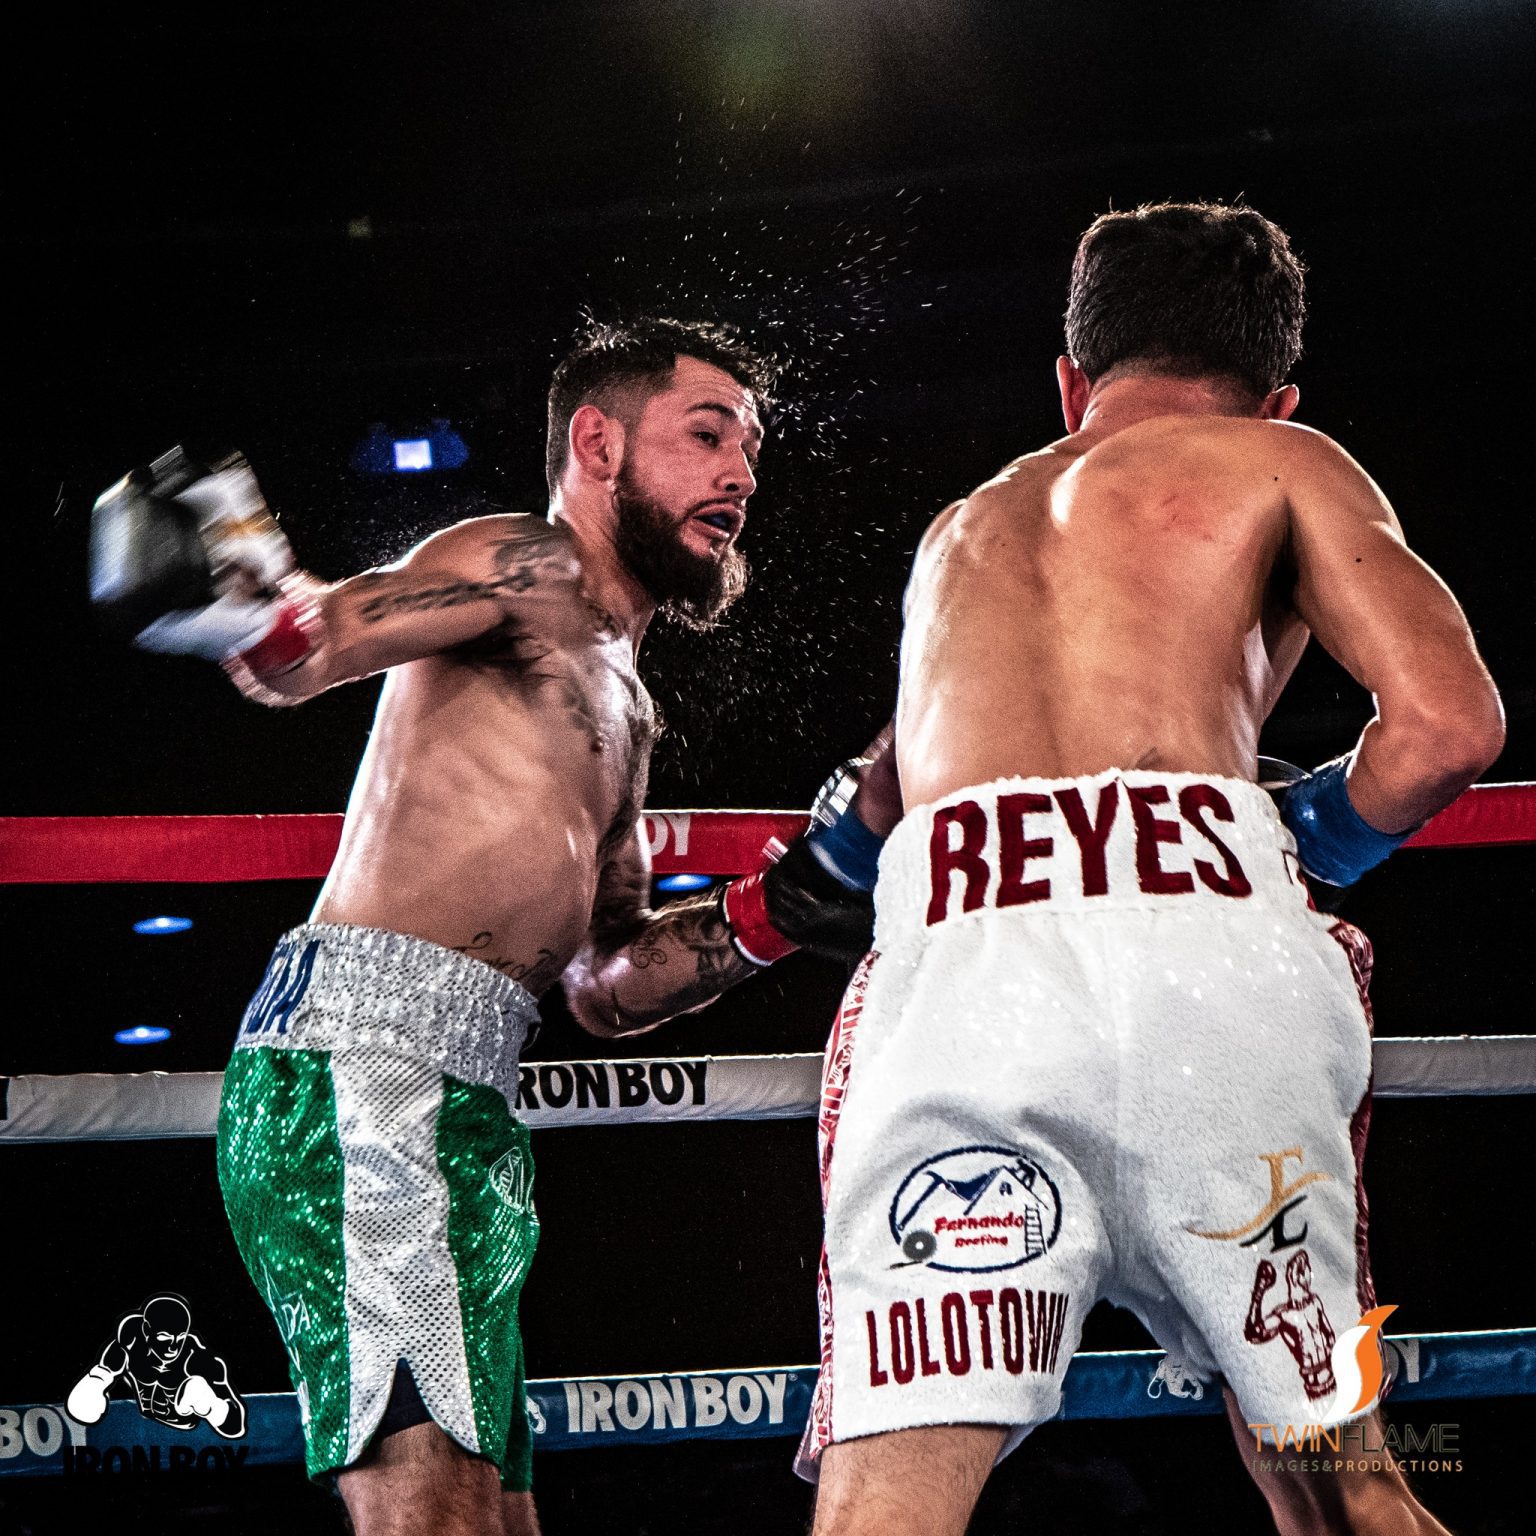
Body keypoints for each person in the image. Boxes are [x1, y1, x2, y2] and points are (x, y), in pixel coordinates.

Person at [89, 316, 893, 1536]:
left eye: (753, 448)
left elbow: (606, 984)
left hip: (458, 1103)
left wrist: (791, 904)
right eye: (708, 434)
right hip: (362, 1077)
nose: (741, 474)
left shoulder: (624, 703)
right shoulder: (527, 564)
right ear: (598, 444)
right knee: (432, 1516)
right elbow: (318, 644)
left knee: (491, 1520)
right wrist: (245, 591)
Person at [798, 203, 1503, 1536]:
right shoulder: (1280, 459)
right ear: (1274, 393)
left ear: (1071, 383)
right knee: (1344, 1490)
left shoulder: (962, 531)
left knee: (886, 1507)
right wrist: (1308, 837)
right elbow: (1449, 727)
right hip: (1209, 965)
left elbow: (882, 804)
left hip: (962, 978)